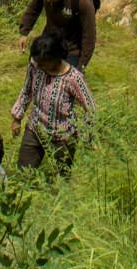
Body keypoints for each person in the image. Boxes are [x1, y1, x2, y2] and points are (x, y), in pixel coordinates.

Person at [10, 34, 94, 174]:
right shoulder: (35, 66)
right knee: (23, 175)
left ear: (56, 58)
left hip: (62, 139)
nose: (40, 66)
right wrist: (17, 118)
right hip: (34, 129)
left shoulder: (73, 78)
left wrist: (86, 136)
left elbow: (90, 108)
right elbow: (26, 90)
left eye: (44, 63)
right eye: (38, 62)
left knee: (61, 181)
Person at [16, 0, 98, 70]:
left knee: (65, 80)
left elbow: (89, 36)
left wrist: (81, 65)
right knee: (35, 70)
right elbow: (34, 8)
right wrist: (24, 32)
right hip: (49, 42)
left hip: (71, 47)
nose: (48, 1)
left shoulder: (82, 0)